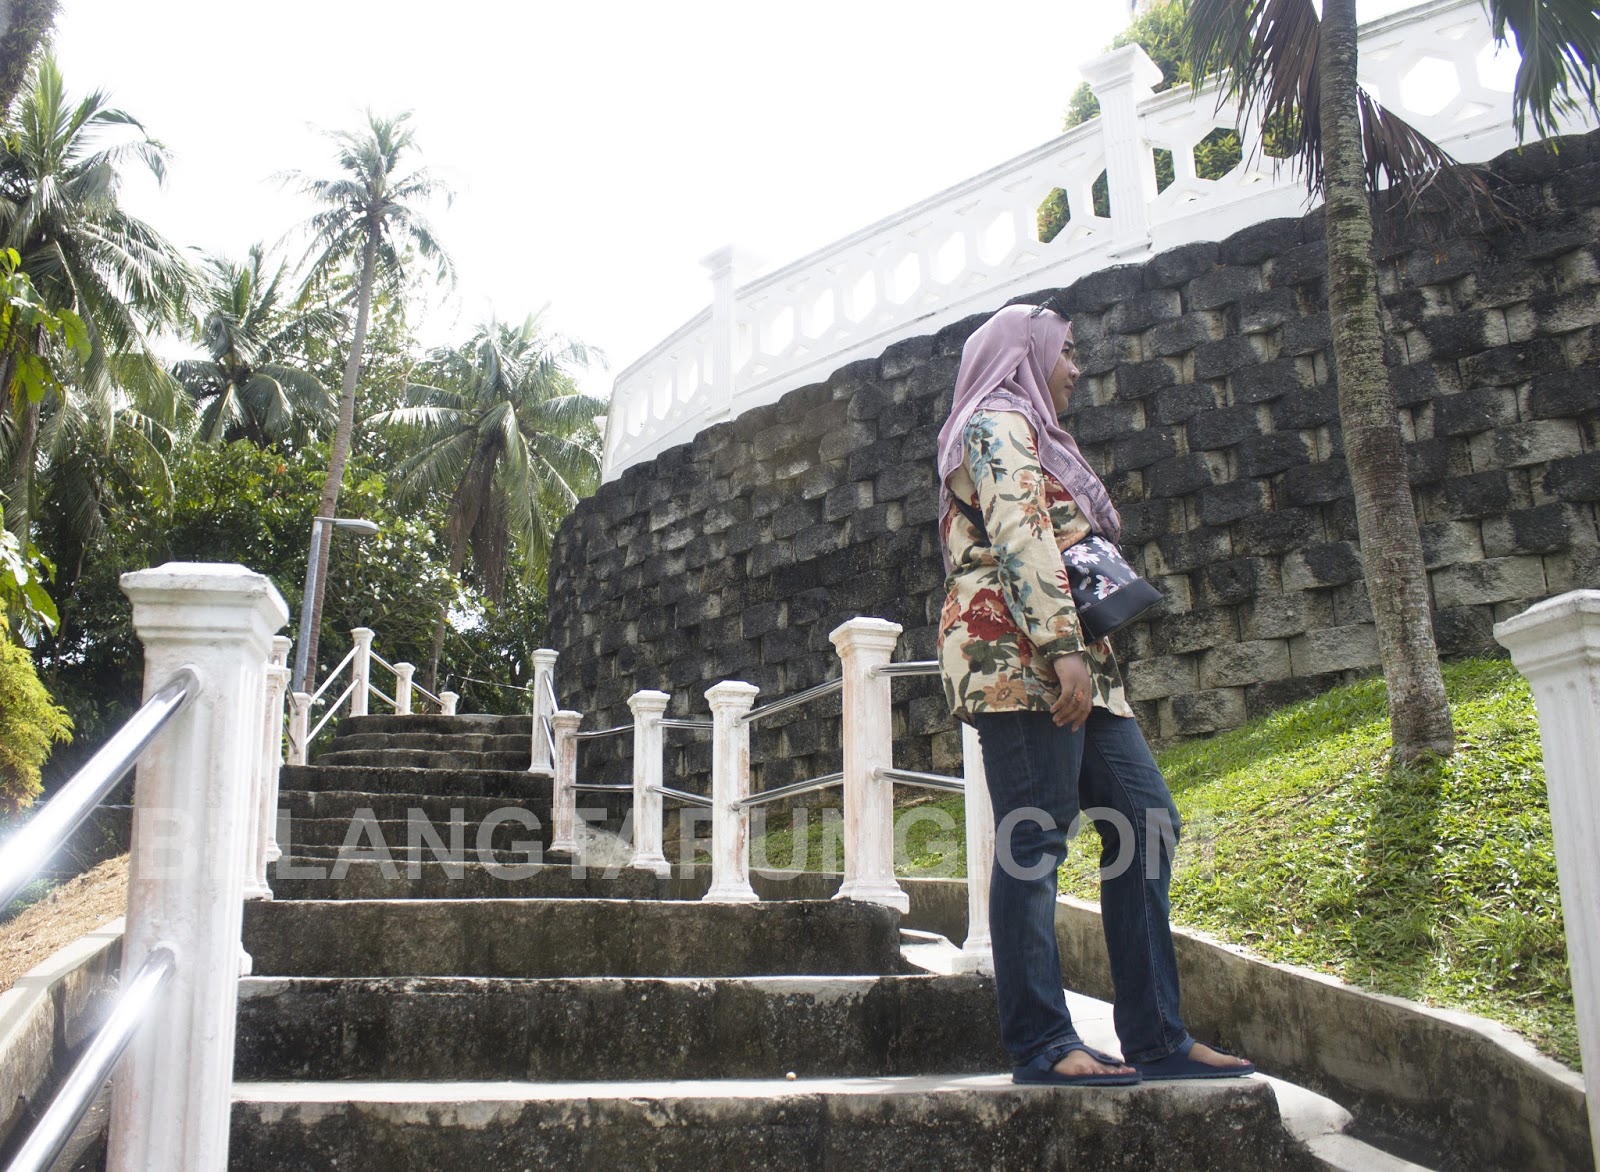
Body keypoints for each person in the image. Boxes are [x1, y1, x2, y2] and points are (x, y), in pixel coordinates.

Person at [935, 300, 1254, 1086]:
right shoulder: (997, 423)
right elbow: (1020, 536)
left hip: (1076, 660)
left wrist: (1079, 653)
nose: (1076, 368)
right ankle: (1042, 1043)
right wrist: (1062, 647)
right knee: (1035, 838)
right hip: (1021, 655)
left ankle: (1155, 1037)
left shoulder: (1038, 435)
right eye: (1067, 351)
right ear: (1028, 351)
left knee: (1146, 819)